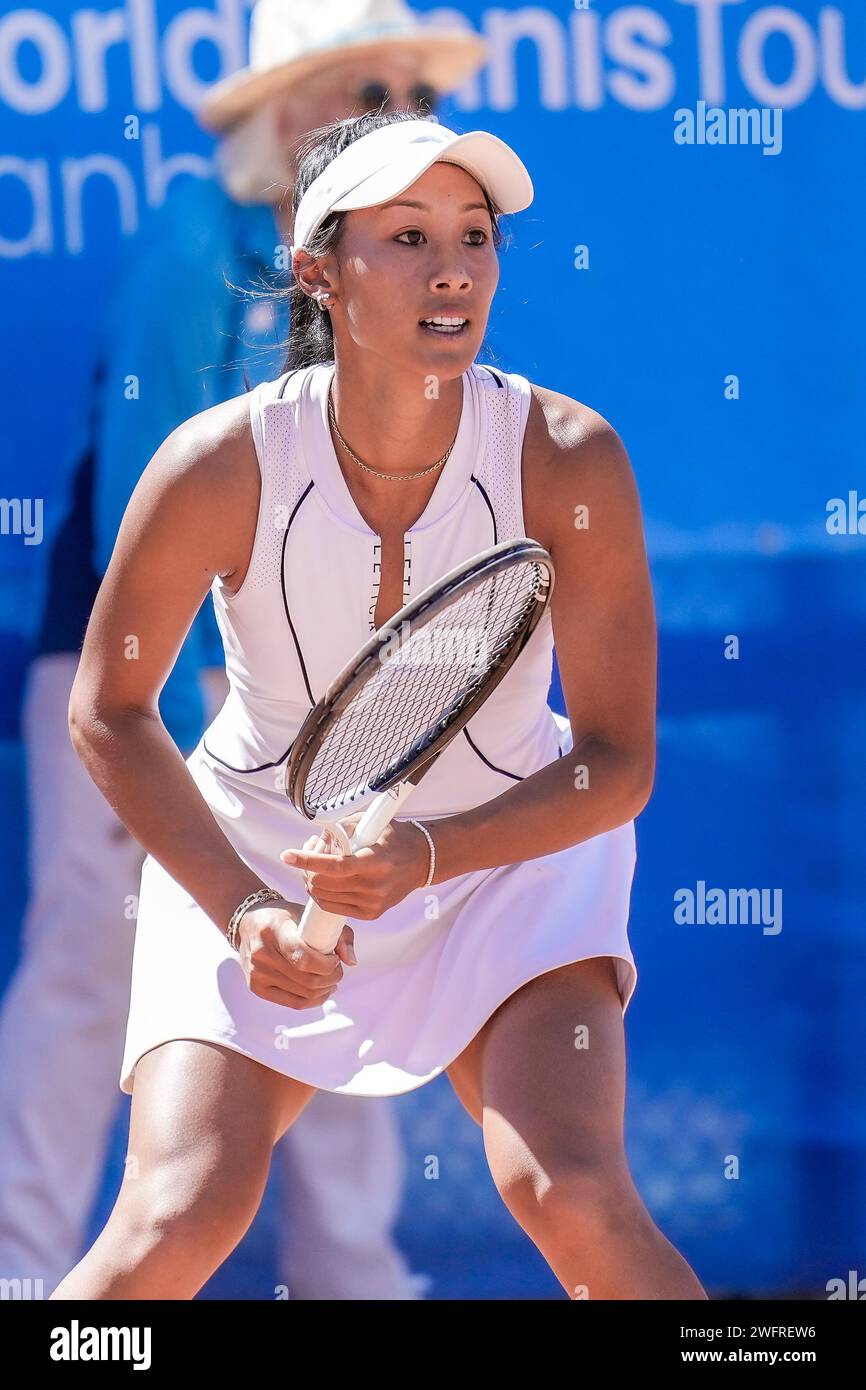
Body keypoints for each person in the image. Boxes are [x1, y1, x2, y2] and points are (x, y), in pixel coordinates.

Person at [51, 109, 707, 1300]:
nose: (452, 266)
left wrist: (429, 852)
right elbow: (110, 710)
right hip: (259, 856)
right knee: (168, 1221)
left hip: (509, 862)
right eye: (406, 236)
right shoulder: (216, 463)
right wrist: (246, 906)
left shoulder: (569, 456)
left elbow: (613, 764)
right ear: (317, 269)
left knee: (566, 1189)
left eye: (473, 235)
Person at [1, 0, 487, 1301]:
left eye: (409, 91)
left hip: (312, 682)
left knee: (328, 961)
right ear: (288, 117)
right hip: (136, 668)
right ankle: (20, 1274)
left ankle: (353, 1280)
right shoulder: (188, 247)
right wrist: (165, 733)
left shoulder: (398, 275)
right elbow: (134, 521)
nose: (397, 112)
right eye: (364, 87)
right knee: (87, 962)